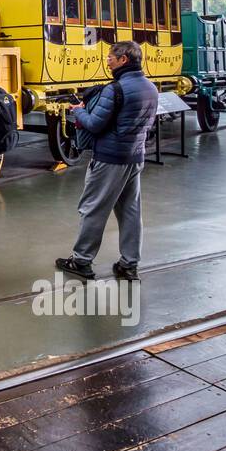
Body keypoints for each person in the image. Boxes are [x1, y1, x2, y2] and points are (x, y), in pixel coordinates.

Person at [56, 40, 160, 282]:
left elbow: (93, 124)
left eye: (111, 57)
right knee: (130, 211)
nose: (107, 60)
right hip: (135, 157)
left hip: (109, 159)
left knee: (93, 208)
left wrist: (78, 110)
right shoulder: (150, 87)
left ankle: (81, 261)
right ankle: (129, 264)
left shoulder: (115, 89)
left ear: (123, 59)